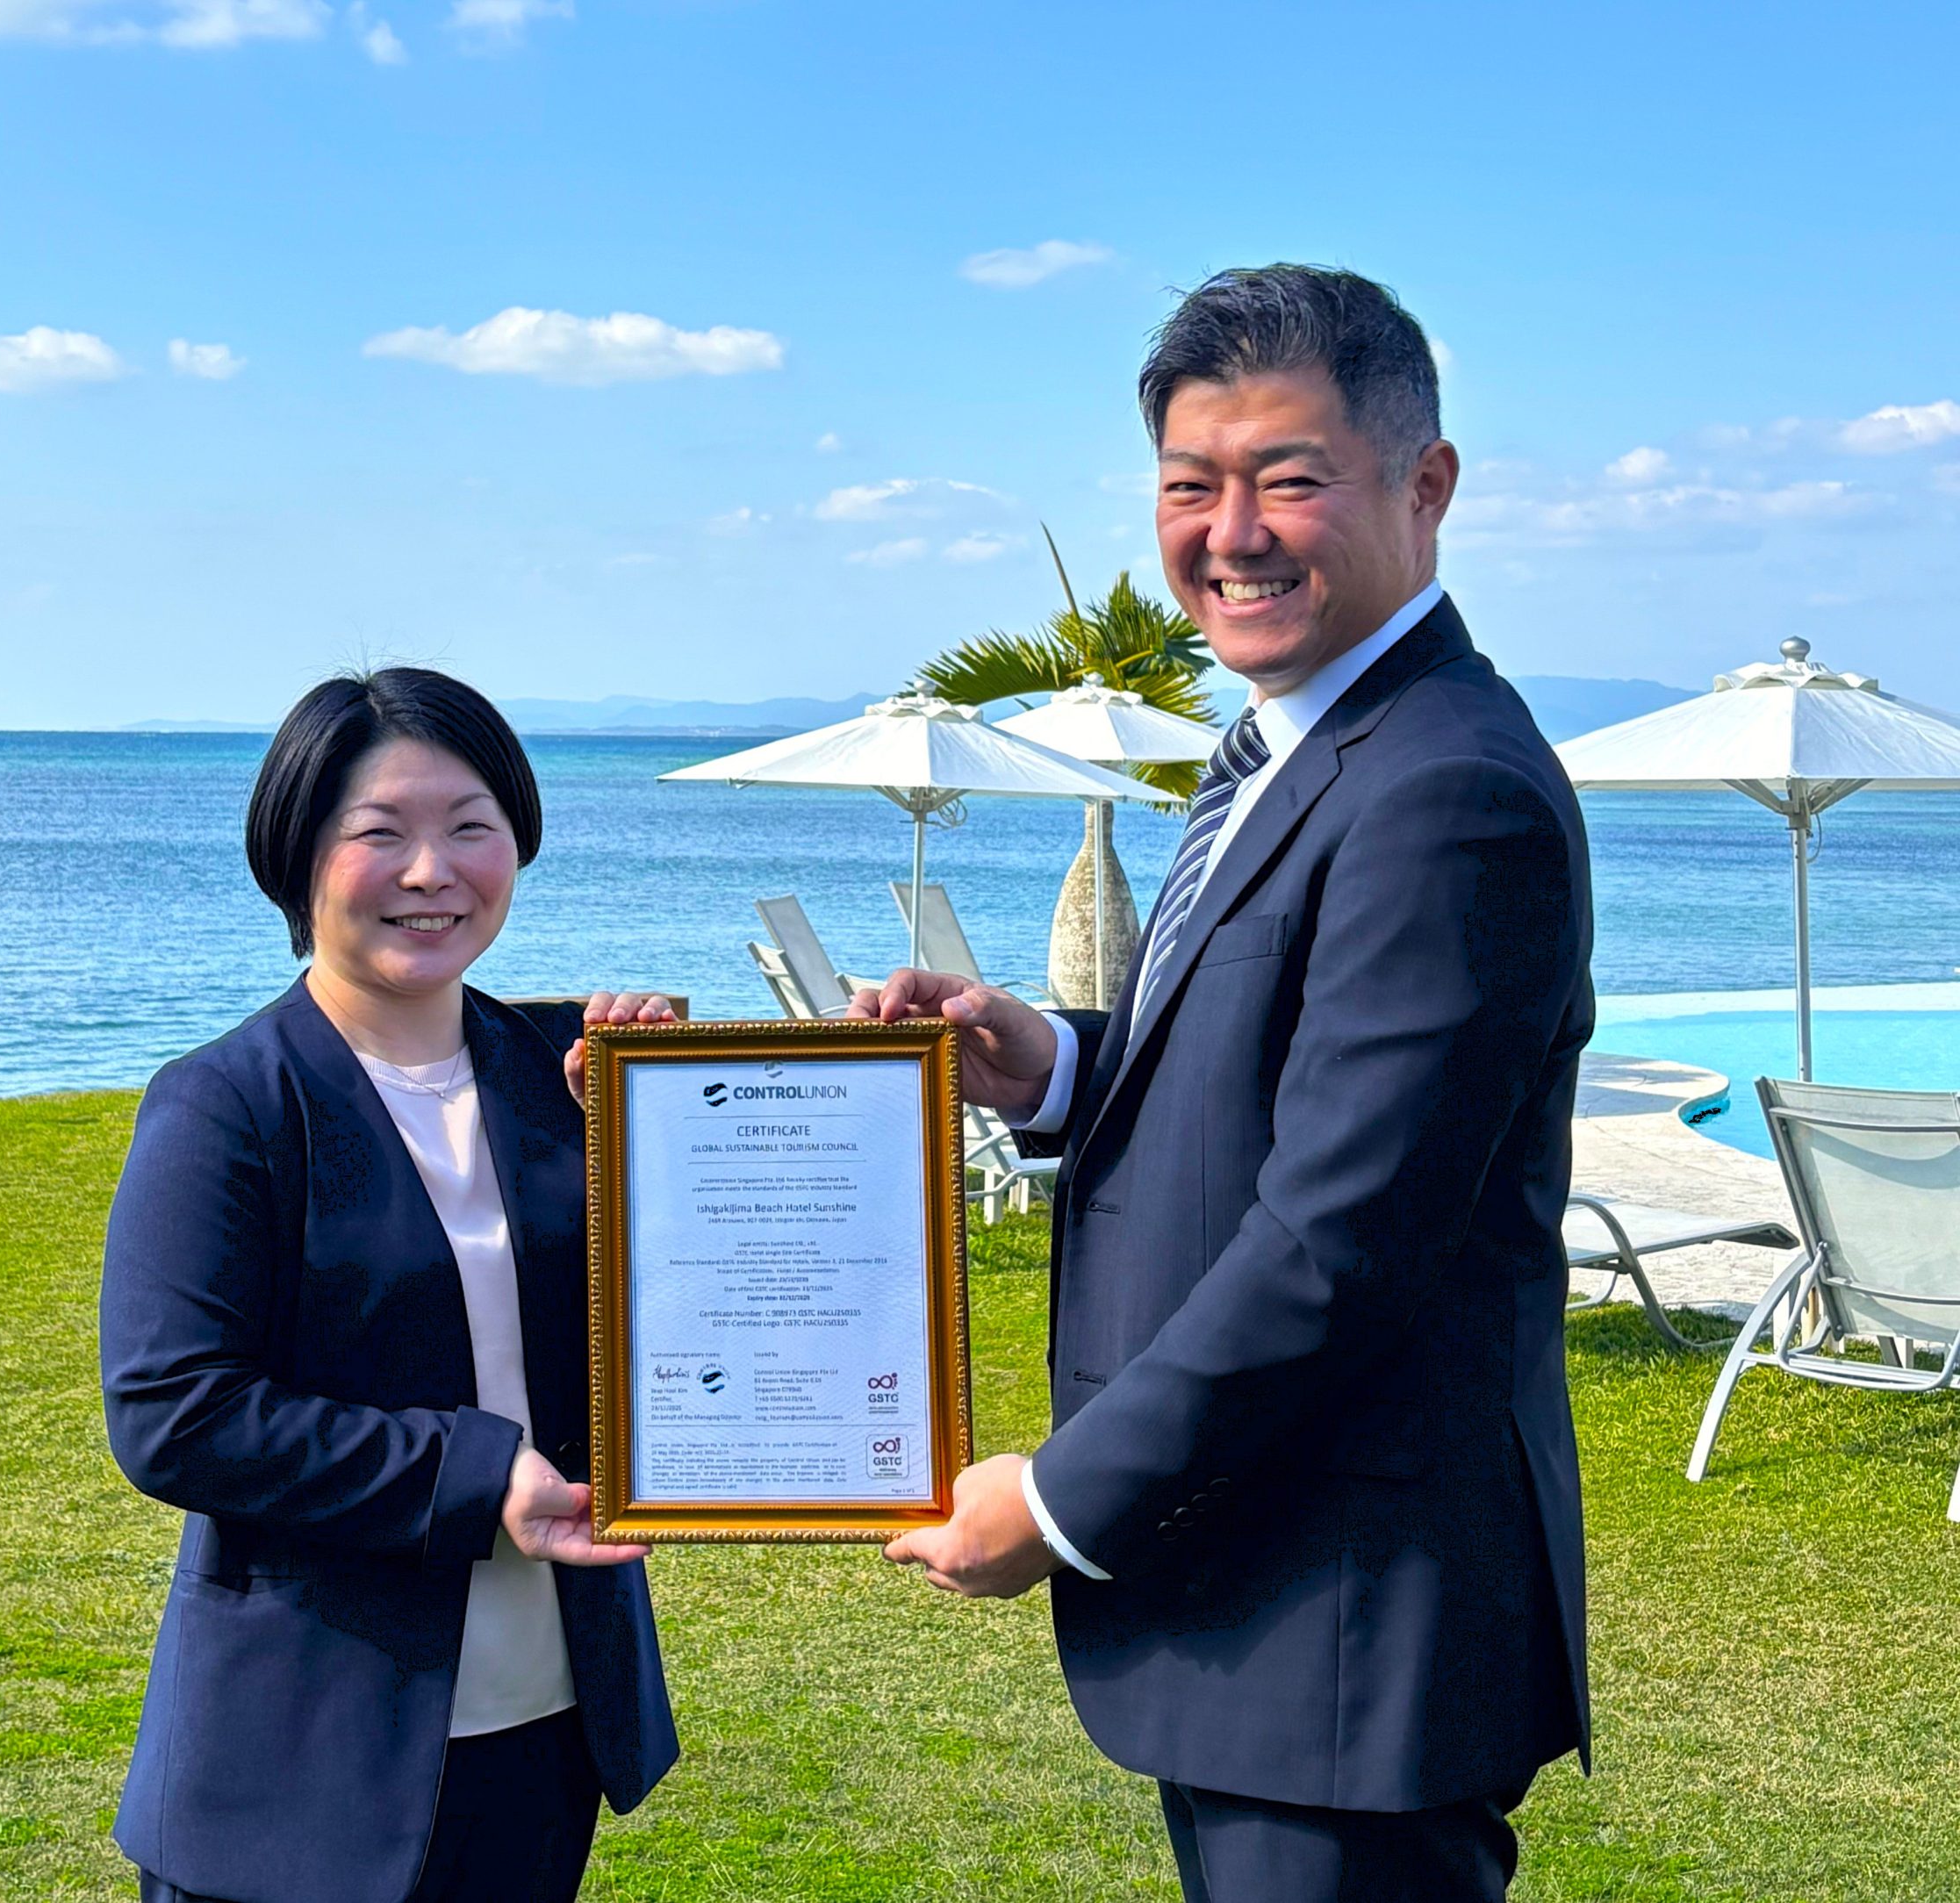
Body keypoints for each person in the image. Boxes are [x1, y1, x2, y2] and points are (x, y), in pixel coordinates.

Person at [856, 266, 1592, 1902]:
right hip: (1269, 1599)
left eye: (1290, 479)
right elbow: (1278, 1097)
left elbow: (1340, 1236)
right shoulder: (1288, 748)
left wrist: (1052, 1501)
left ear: (1427, 486)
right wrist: (1054, 1067)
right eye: (1191, 487)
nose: (1232, 533)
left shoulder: (1446, 788)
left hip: (1343, 1618)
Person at [101, 667, 679, 1903]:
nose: (434, 873)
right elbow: (175, 1417)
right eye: (382, 834)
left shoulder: (568, 1069)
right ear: (298, 858)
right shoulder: (228, 1104)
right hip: (303, 1755)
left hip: (549, 1712)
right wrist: (476, 1478)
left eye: (473, 827)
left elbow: (691, 1324)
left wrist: (664, 1134)